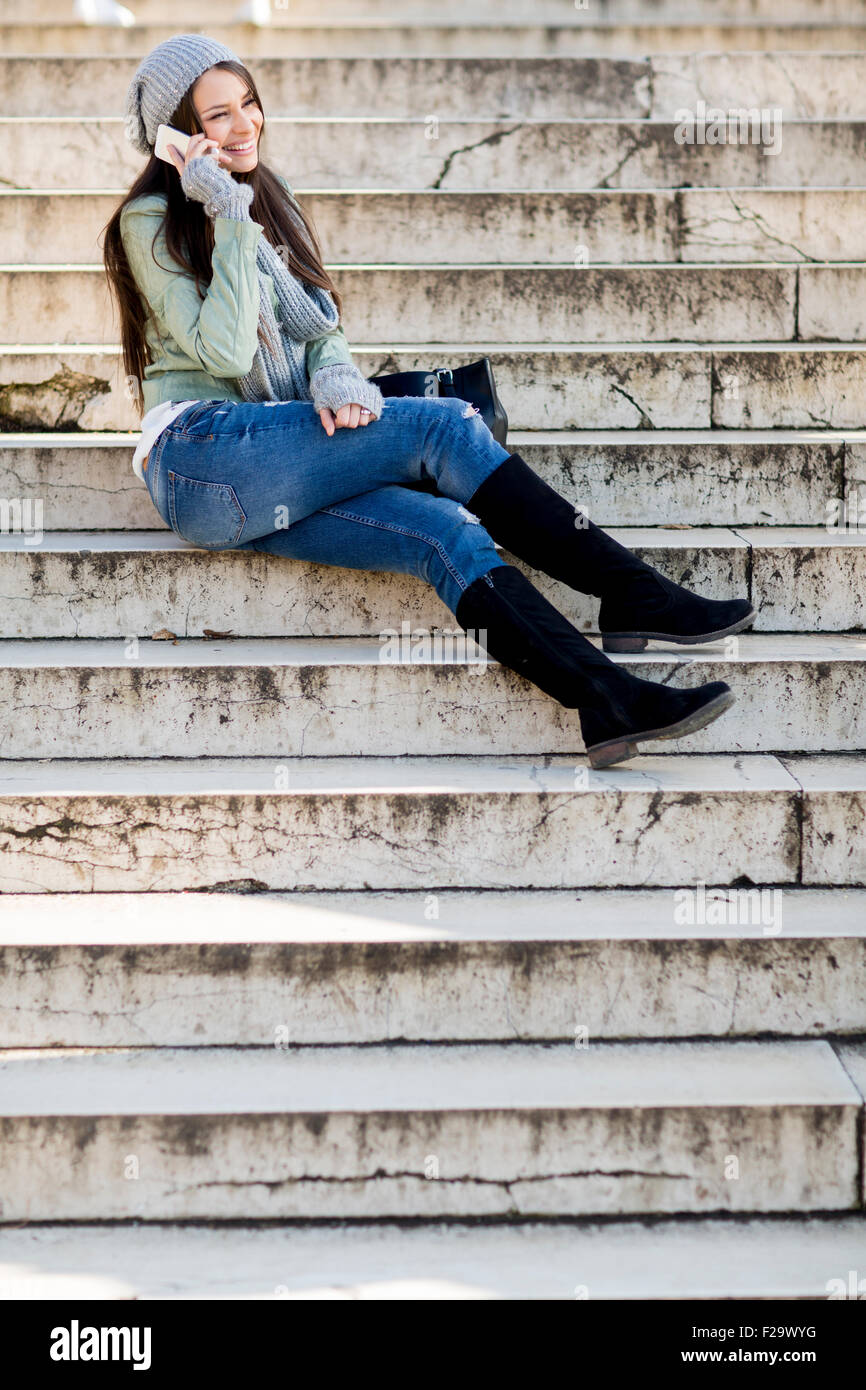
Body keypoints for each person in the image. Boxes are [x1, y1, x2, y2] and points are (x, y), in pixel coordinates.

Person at [103, 34, 755, 770]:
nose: (245, 124)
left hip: (280, 456)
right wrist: (225, 216)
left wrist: (340, 377)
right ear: (177, 136)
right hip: (204, 458)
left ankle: (607, 701)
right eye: (218, 115)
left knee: (445, 533)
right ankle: (634, 595)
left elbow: (319, 329)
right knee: (446, 427)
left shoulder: (267, 197)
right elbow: (224, 353)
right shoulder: (150, 222)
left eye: (249, 103)